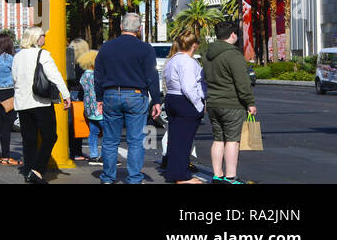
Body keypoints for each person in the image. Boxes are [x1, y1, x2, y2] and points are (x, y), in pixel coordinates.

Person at [94, 12, 162, 185]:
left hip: (110, 94)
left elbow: (98, 75)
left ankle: (108, 178)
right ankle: (134, 178)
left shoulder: (106, 47)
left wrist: (99, 97)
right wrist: (156, 100)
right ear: (139, 29)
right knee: (135, 140)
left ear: (121, 27)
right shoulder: (145, 48)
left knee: (110, 140)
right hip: (136, 95)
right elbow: (152, 77)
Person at [11, 27, 71, 184]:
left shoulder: (17, 56)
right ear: (36, 38)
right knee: (50, 136)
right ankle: (36, 170)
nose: (45, 38)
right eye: (43, 35)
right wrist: (66, 95)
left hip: (22, 102)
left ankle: (29, 172)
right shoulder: (42, 54)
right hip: (40, 102)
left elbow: (15, 78)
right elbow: (55, 76)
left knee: (29, 139)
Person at [202, 20, 257, 185]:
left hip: (212, 103)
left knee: (218, 139)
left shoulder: (207, 54)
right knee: (233, 140)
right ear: (232, 35)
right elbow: (242, 82)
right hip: (231, 104)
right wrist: (250, 102)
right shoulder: (233, 54)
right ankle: (231, 177)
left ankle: (217, 176)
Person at [162, 29, 207, 184]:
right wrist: (199, 105)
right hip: (184, 102)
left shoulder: (172, 60)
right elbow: (188, 87)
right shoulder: (188, 62)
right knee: (184, 141)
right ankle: (181, 176)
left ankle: (174, 173)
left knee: (175, 140)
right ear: (194, 45)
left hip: (172, 99)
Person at [0, 31, 20, 167]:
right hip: (9, 93)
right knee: (7, 127)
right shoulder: (9, 58)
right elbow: (16, 76)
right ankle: (6, 156)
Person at [77, 49, 102, 163]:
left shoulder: (84, 75)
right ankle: (106, 155)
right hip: (100, 107)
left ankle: (93, 153)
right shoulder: (96, 75)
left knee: (93, 132)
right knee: (108, 132)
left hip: (89, 109)